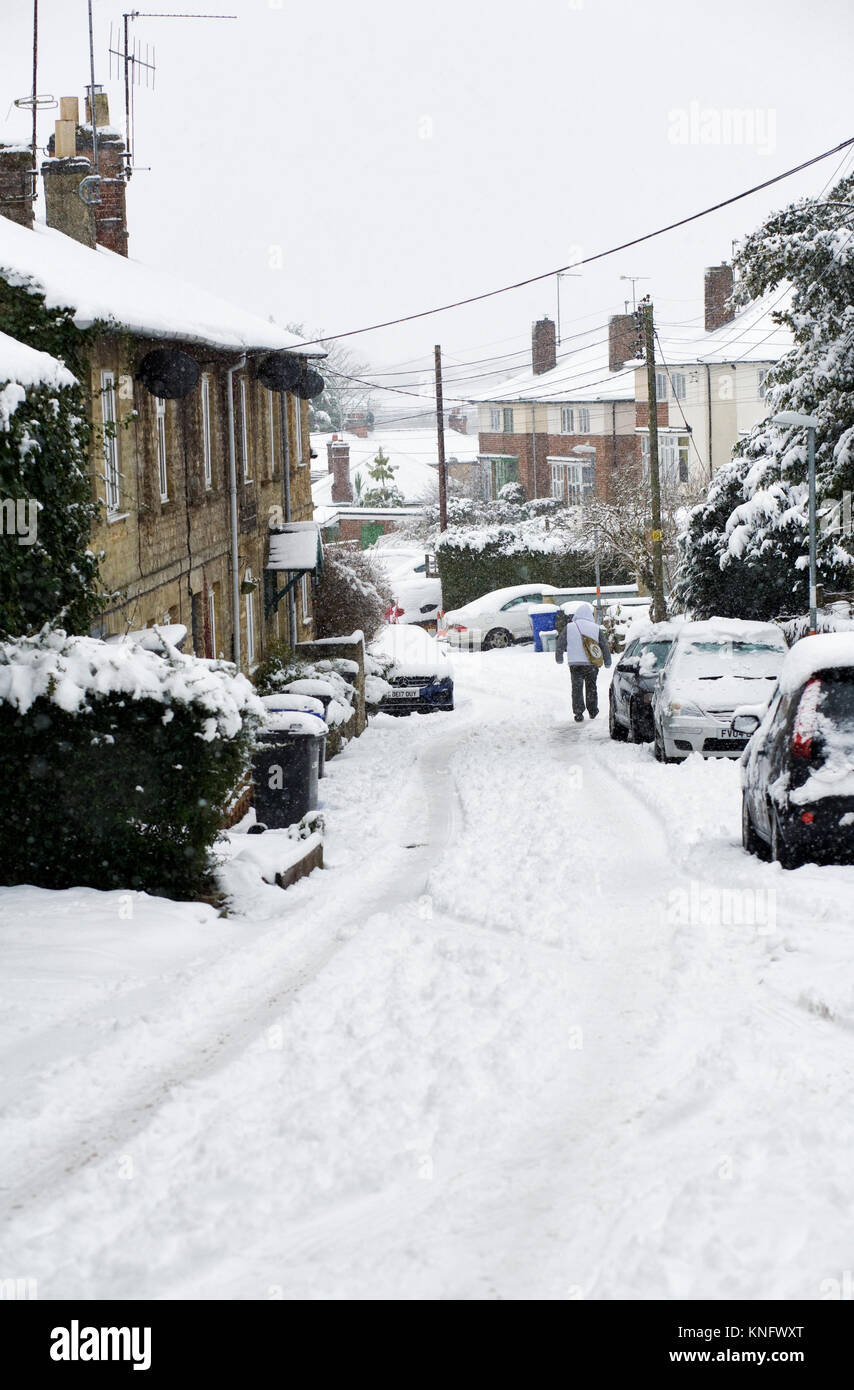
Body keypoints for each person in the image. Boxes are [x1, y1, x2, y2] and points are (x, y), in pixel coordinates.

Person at [555, 600, 612, 721]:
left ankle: (578, 712)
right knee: (591, 687)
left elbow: (560, 643)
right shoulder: (595, 628)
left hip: (575, 663)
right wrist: (607, 661)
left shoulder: (569, 627)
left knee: (577, 688)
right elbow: (603, 645)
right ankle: (592, 710)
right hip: (591, 663)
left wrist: (559, 657)